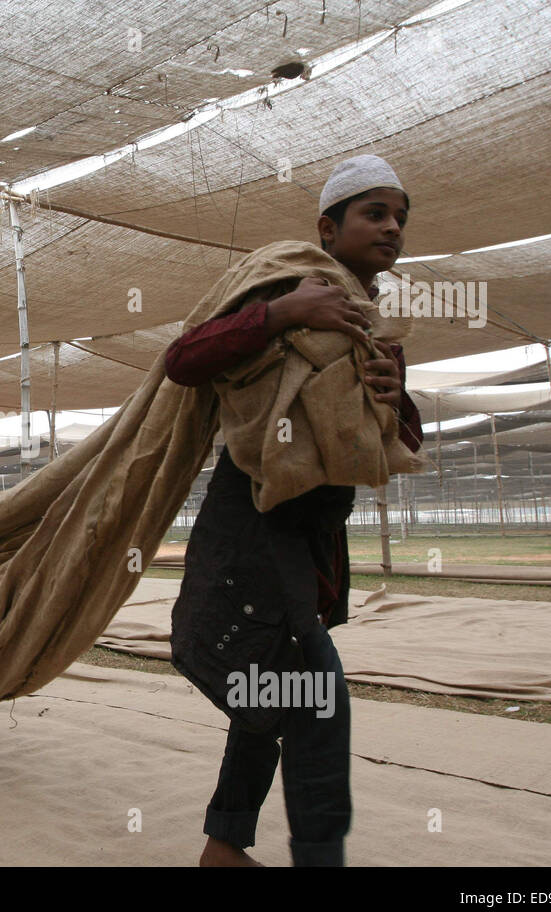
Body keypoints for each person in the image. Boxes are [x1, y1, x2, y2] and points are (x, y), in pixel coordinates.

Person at [164, 155, 423, 868]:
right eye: (375, 213)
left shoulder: (374, 327)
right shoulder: (283, 280)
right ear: (327, 227)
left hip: (312, 540)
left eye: (400, 215)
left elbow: (401, 439)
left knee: (275, 687)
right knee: (315, 696)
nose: (393, 227)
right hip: (252, 525)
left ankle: (223, 848)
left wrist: (392, 391)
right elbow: (184, 358)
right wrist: (284, 313)